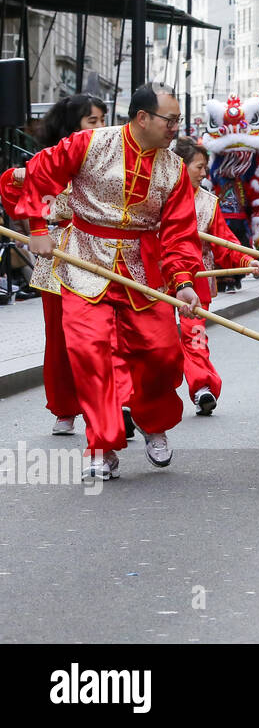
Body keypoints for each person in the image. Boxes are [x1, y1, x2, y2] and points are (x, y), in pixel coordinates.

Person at [6, 83, 203, 480]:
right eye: (170, 119)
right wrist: (38, 227)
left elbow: (180, 232)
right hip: (83, 264)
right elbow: (40, 173)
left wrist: (183, 281)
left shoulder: (173, 168)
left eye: (179, 120)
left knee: (162, 354)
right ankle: (101, 444)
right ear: (142, 117)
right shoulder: (90, 143)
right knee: (90, 355)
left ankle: (152, 422)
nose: (175, 128)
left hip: (142, 269)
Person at [0, 94, 124, 438]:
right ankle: (65, 408)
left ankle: (113, 405)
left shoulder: (114, 160)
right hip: (60, 263)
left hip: (107, 259)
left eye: (102, 120)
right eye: (92, 121)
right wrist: (39, 227)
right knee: (61, 341)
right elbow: (12, 185)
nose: (101, 127)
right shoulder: (47, 162)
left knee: (111, 338)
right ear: (72, 128)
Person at [171, 138, 259, 416]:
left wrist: (248, 260)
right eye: (199, 167)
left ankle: (202, 387)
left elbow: (224, 243)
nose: (205, 173)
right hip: (159, 276)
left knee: (195, 335)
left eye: (205, 167)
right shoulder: (157, 198)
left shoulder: (208, 203)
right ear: (180, 166)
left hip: (197, 277)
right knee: (159, 342)